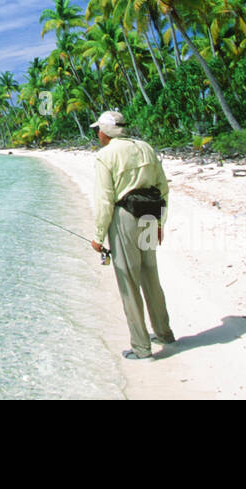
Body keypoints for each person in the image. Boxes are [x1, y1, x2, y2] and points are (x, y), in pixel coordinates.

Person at [87, 110, 175, 360]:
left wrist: (98, 236)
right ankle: (164, 333)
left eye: (99, 130)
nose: (97, 134)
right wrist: (160, 222)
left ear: (106, 133)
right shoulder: (146, 147)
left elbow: (105, 201)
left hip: (125, 217)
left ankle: (141, 348)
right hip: (150, 215)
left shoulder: (106, 156)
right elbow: (163, 188)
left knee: (128, 282)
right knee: (150, 275)